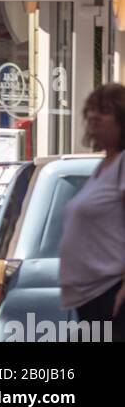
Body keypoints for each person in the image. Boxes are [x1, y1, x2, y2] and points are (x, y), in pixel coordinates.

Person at [59, 83, 125, 342]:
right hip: (91, 299)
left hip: (112, 297)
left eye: (105, 111)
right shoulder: (103, 167)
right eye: (92, 110)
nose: (95, 116)